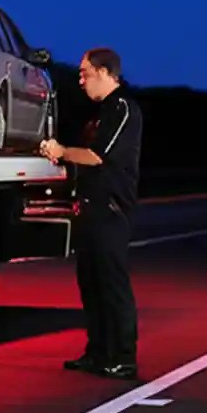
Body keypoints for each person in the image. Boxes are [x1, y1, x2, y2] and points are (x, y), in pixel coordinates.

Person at [39, 47, 143, 379]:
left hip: (110, 210)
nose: (81, 80)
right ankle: (97, 351)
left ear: (103, 72)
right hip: (88, 208)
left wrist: (63, 152)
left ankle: (123, 356)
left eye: (84, 73)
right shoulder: (97, 113)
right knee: (91, 284)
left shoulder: (123, 108)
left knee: (113, 286)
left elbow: (99, 156)